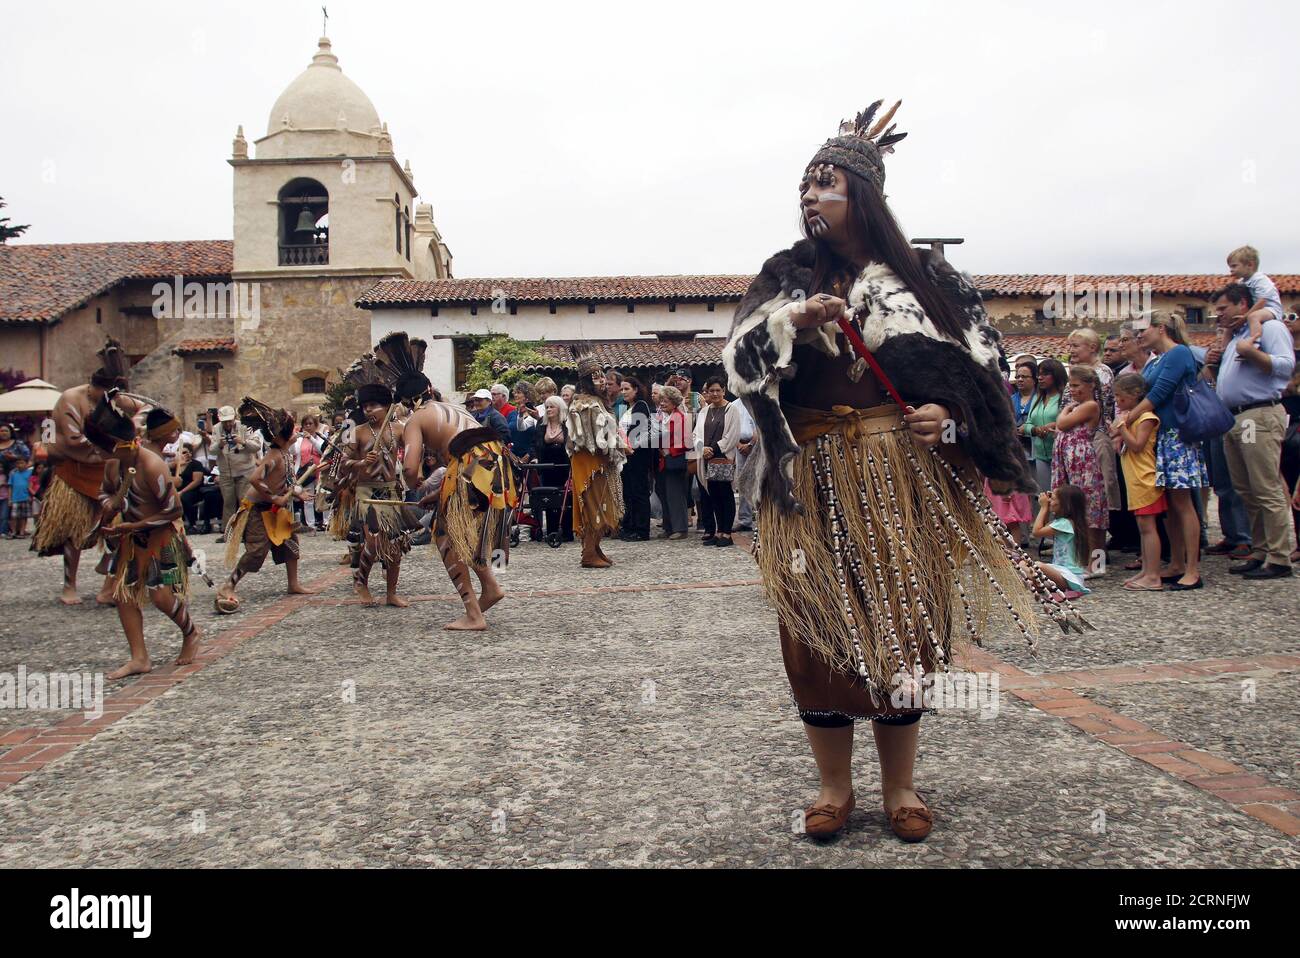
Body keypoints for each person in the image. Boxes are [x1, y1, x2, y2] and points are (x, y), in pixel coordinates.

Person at [720, 101, 1078, 842]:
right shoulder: (784, 276)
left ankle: (902, 787)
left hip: (895, 472)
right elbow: (737, 365)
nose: (810, 196)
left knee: (902, 621)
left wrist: (948, 416)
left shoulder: (927, 277)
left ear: (864, 196)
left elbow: (985, 372)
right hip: (811, 472)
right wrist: (794, 322)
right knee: (815, 625)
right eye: (804, 185)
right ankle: (832, 788)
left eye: (826, 184)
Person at [378, 331, 515, 631]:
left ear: (405, 401)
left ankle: (473, 614)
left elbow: (411, 469)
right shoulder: (453, 407)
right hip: (493, 460)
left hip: (471, 462)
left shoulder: (417, 418)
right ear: (428, 389)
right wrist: (438, 495)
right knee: (459, 529)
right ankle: (491, 588)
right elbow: (462, 464)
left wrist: (414, 487)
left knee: (444, 534)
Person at [83, 395, 201, 678]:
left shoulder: (152, 465)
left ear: (123, 444)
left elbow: (174, 511)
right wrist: (108, 503)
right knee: (123, 596)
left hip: (162, 539)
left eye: (103, 450)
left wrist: (132, 527)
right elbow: (105, 491)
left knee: (161, 597)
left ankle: (191, 632)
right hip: (131, 541)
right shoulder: (114, 464)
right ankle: (139, 657)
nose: (100, 456)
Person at [31, 338, 142, 606]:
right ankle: (69, 586)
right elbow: (72, 441)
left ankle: (108, 583)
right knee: (74, 532)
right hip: (74, 472)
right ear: (92, 386)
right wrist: (113, 447)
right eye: (101, 394)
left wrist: (132, 427)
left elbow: (141, 412)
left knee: (121, 530)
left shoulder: (117, 399)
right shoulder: (71, 399)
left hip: (108, 473)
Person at [1205, 284, 1296, 579]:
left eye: (1223, 309)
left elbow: (1285, 366)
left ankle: (1279, 557)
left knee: (1265, 486)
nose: (1218, 316)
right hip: (1236, 419)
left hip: (1257, 414)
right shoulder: (1239, 335)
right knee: (1245, 488)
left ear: (1243, 303)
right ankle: (1260, 550)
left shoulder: (1269, 329)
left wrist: (1249, 353)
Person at [1121, 312, 1206, 590]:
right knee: (1171, 507)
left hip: (1177, 437)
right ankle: (1178, 563)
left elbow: (1157, 395)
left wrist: (1126, 420)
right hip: (1162, 439)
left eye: (1143, 331)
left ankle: (1192, 569)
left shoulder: (1179, 353)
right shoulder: (1158, 359)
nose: (1139, 336)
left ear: (1159, 328)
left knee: (1183, 504)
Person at [215, 399, 315, 613]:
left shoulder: (285, 454)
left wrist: (299, 493)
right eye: (292, 428)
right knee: (257, 551)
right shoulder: (273, 456)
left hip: (276, 510)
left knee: (291, 545)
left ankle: (293, 584)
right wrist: (273, 498)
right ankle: (228, 585)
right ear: (281, 435)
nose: (296, 431)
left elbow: (287, 482)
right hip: (258, 509)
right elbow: (254, 479)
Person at [340, 369, 414, 608]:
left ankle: (391, 593)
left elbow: (417, 448)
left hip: (391, 490)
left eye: (373, 405)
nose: (368, 410)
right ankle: (361, 582)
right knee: (372, 543)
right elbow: (343, 464)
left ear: (386, 406)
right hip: (366, 492)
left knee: (394, 545)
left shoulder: (399, 429)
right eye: (365, 406)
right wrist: (361, 462)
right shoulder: (357, 433)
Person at [564, 357, 626, 567]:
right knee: (594, 506)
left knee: (600, 504)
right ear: (588, 380)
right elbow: (591, 437)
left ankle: (595, 549)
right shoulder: (585, 403)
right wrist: (617, 446)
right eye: (597, 377)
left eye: (603, 377)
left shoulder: (594, 401)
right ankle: (588, 553)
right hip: (590, 462)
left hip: (597, 461)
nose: (602, 382)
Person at [1112, 374, 1164, 591]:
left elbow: (1137, 445)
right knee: (1143, 528)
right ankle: (1146, 569)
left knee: (1148, 528)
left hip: (1145, 477)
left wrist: (1122, 428)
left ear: (1135, 396)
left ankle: (1154, 575)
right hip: (1134, 478)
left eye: (1121, 398)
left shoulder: (1146, 418)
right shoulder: (1132, 418)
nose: (1117, 402)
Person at [1052, 364, 1107, 566]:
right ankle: (1082, 559)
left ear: (1090, 385)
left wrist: (1065, 410)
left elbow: (1062, 424)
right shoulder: (1077, 406)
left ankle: (1096, 564)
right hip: (1070, 461)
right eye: (1071, 386)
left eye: (1076, 385)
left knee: (1091, 513)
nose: (1072, 390)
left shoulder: (1090, 405)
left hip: (1083, 463)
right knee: (1077, 511)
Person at [692, 376, 742, 547]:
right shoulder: (704, 411)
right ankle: (719, 531)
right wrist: (702, 448)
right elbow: (695, 434)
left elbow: (733, 434)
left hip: (722, 458)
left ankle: (727, 533)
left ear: (724, 391)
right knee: (713, 496)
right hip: (705, 459)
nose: (714, 393)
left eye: (717, 390)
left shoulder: (732, 410)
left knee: (725, 495)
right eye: (711, 391)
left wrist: (713, 449)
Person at [1030, 484, 1091, 598]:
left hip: (1070, 576)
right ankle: (1043, 584)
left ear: (1064, 504)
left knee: (1038, 566)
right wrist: (1047, 508)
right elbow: (1043, 527)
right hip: (1059, 571)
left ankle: (1041, 584)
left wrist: (1043, 508)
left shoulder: (1066, 523)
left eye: (1052, 499)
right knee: (1024, 563)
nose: (1049, 502)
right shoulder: (1065, 522)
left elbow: (1036, 531)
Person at [212, 404, 263, 539]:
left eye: (230, 420)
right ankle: (228, 532)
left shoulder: (244, 427)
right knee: (228, 502)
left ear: (234, 418)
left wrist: (243, 441)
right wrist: (219, 444)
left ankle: (246, 531)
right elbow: (212, 450)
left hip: (245, 471)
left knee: (244, 501)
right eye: (225, 421)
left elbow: (256, 446)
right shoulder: (216, 429)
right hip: (226, 472)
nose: (228, 424)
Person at [617, 375, 654, 541]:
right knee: (629, 492)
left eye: (627, 389)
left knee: (639, 491)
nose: (624, 392)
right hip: (626, 456)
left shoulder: (641, 406)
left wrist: (630, 447)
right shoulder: (626, 408)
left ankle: (642, 529)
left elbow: (640, 432)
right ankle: (630, 525)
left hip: (637, 455)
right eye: (622, 389)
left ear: (636, 390)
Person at [1022, 358, 1066, 498]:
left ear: (1056, 375)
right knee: (1045, 497)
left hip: (1059, 454)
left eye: (1045, 374)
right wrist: (1035, 430)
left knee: (1061, 497)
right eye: (1038, 374)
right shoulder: (1037, 399)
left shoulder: (1063, 398)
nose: (1040, 377)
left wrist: (1054, 425)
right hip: (1040, 455)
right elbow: (1027, 425)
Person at [532, 395, 573, 544]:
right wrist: (535, 457)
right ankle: (551, 530)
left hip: (564, 465)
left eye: (552, 406)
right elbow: (536, 444)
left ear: (559, 408)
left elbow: (572, 443)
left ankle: (567, 531)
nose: (548, 409)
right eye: (547, 406)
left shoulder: (567, 424)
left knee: (565, 497)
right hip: (547, 465)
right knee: (549, 497)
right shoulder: (541, 424)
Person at [1227, 245, 1285, 345]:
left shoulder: (1260, 279)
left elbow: (1262, 302)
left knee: (1253, 317)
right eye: (1230, 267)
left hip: (1271, 309)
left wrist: (1245, 317)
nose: (1231, 270)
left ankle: (1254, 342)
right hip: (1257, 310)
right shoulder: (1241, 282)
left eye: (1234, 266)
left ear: (1250, 265)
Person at [654, 385, 690, 540]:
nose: (662, 403)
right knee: (664, 493)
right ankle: (668, 527)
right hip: (662, 461)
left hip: (675, 460)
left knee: (675, 494)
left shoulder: (680, 417)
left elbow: (686, 441)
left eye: (666, 400)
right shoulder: (661, 417)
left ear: (674, 402)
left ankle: (680, 528)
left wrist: (669, 450)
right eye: (661, 400)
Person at [732, 397, 757, 532]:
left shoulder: (757, 401)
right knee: (742, 482)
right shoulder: (733, 405)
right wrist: (739, 445)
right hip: (739, 445)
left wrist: (750, 444)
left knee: (759, 480)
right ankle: (744, 519)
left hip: (756, 444)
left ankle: (761, 516)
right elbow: (730, 428)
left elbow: (759, 426)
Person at [6, 457, 33, 538]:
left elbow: (31, 484)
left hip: (25, 497)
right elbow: (10, 486)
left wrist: (30, 495)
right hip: (15, 498)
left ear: (26, 464)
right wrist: (10, 499)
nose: (20, 465)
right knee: (14, 516)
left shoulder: (30, 473)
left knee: (24, 516)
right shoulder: (13, 474)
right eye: (18, 463)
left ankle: (22, 531)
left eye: (22, 463)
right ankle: (13, 531)